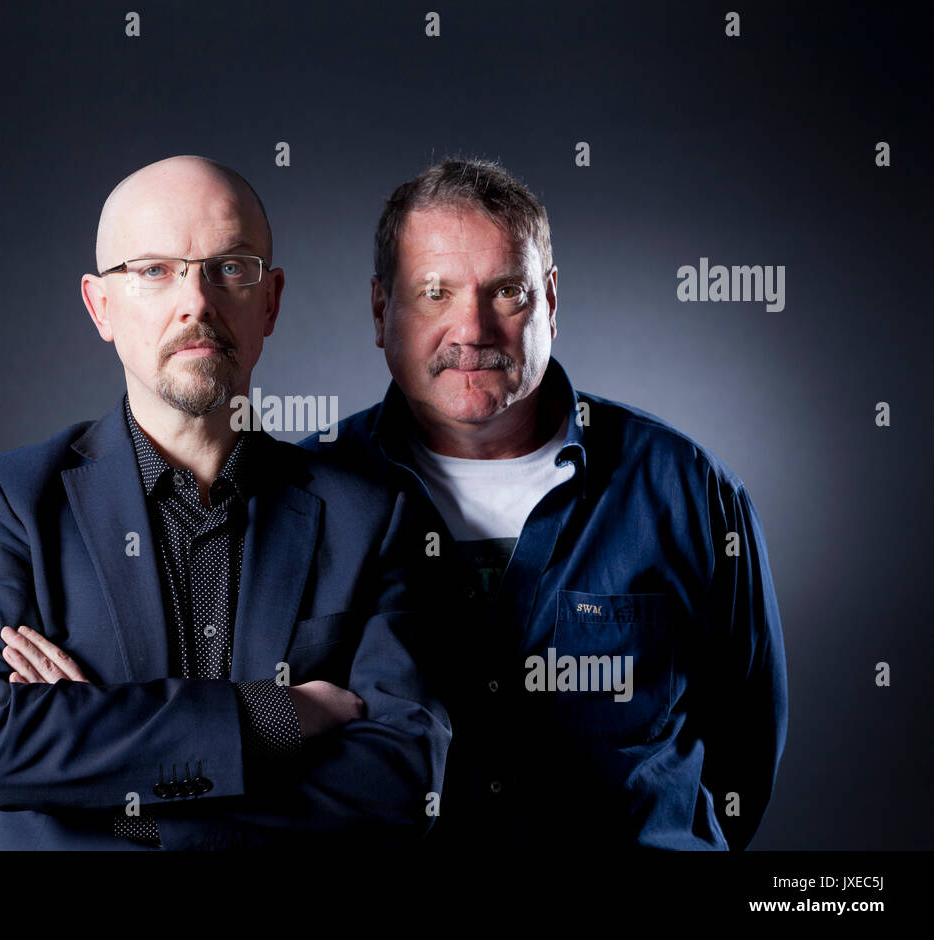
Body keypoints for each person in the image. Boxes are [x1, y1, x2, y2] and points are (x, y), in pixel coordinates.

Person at [0, 155, 450, 849]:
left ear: (270, 301)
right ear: (101, 306)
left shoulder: (373, 517)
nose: (197, 302)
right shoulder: (11, 503)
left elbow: (401, 778)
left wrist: (126, 805)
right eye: (154, 270)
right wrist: (278, 716)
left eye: (230, 267)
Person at [303, 157, 788, 850]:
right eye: (434, 292)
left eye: (505, 292)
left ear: (550, 302)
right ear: (382, 311)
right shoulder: (304, 495)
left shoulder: (687, 490)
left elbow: (745, 744)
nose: (471, 330)